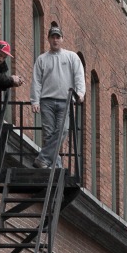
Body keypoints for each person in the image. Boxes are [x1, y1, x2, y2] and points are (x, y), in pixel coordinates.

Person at [29, 21, 85, 169]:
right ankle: (57, 166)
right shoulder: (42, 59)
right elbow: (37, 81)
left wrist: (80, 92)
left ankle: (43, 159)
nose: (55, 40)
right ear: (48, 39)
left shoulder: (71, 57)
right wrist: (35, 101)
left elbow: (79, 75)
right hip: (46, 100)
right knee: (48, 135)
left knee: (63, 130)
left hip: (65, 101)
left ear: (62, 39)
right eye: (52, 37)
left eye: (58, 37)